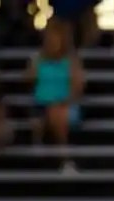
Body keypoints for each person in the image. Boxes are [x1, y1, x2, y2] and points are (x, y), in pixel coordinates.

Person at [27, 20, 86, 173]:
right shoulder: (37, 58)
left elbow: (78, 86)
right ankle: (65, 160)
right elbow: (29, 80)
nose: (51, 41)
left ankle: (61, 157)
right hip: (41, 103)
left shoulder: (72, 60)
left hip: (67, 104)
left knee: (57, 112)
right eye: (48, 37)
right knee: (50, 111)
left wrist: (64, 101)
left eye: (55, 37)